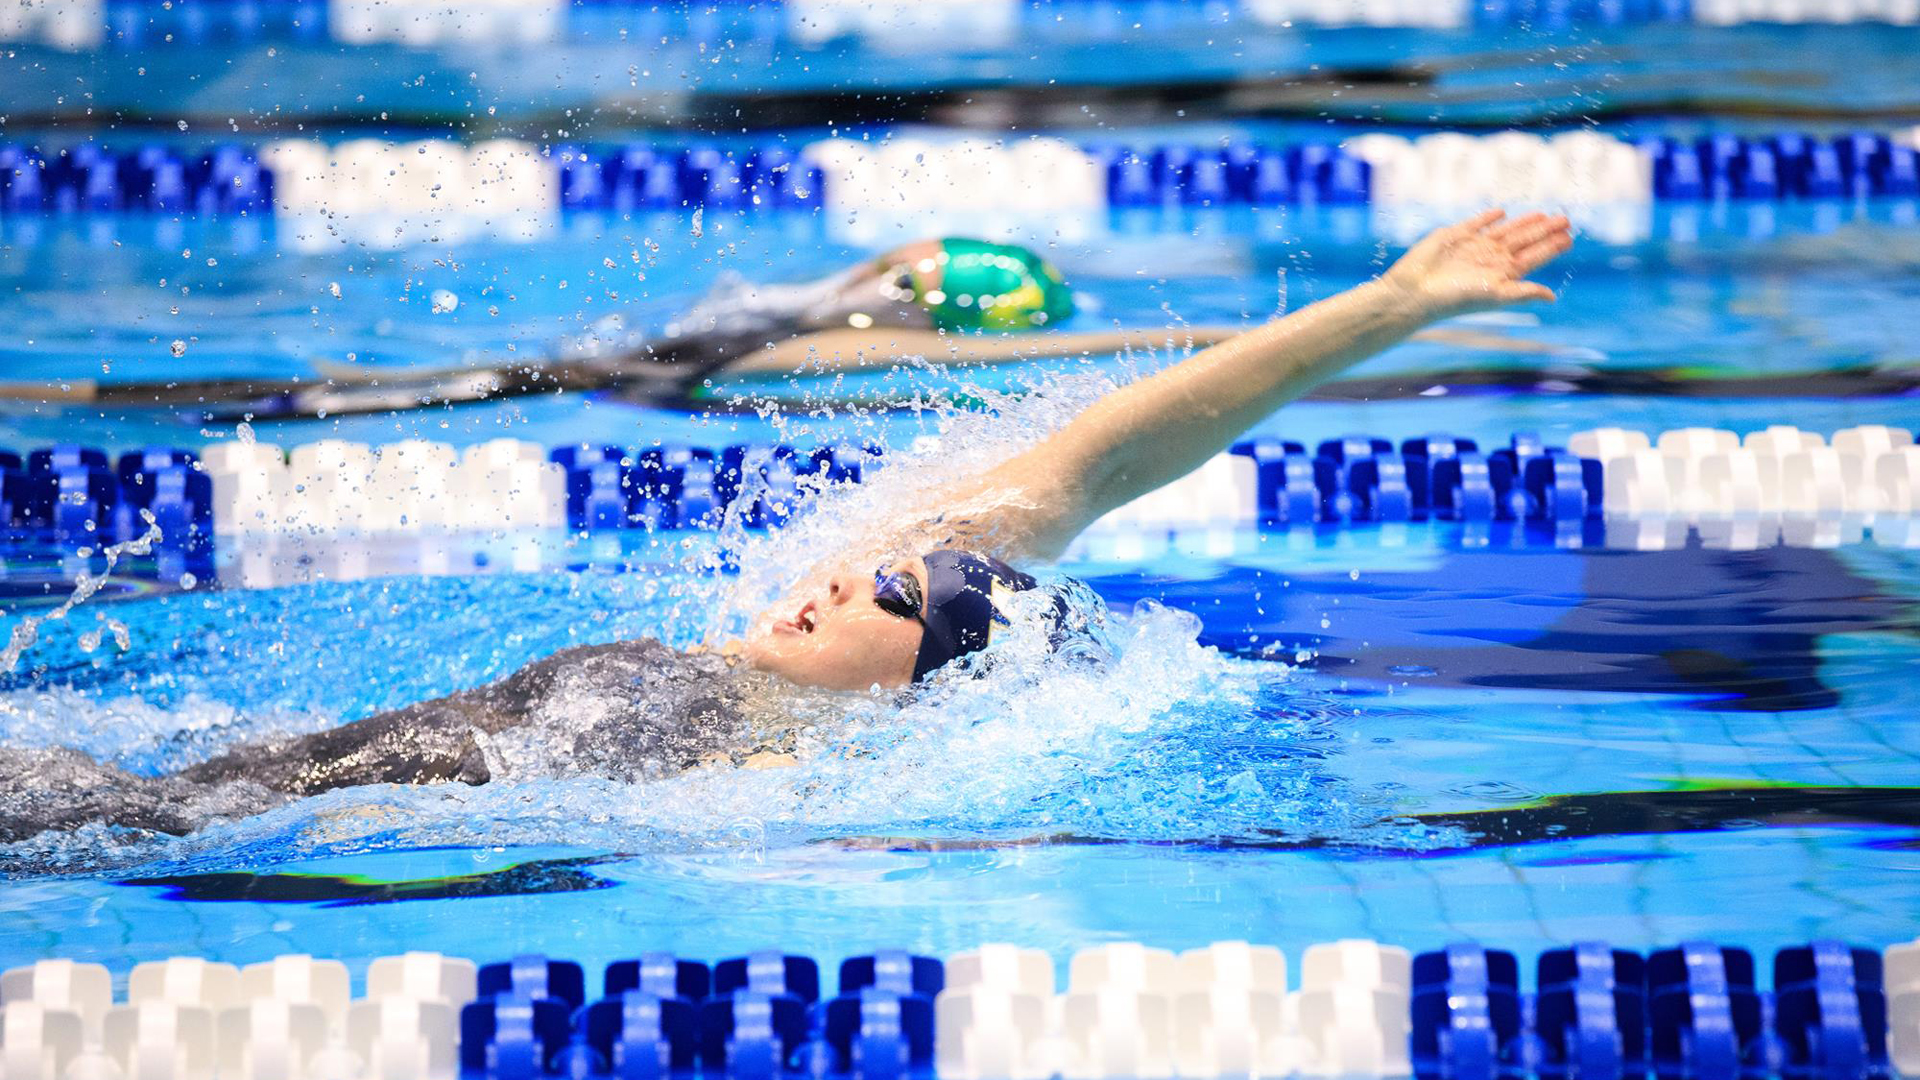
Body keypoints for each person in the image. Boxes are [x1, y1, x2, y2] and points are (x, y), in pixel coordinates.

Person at [0, 210, 1572, 842]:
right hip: (228, 764)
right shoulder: (788, 648)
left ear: (918, 681)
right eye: (866, 572)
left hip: (202, 818)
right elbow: (1114, 454)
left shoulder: (776, 773)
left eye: (887, 603)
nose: (838, 588)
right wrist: (1386, 306)